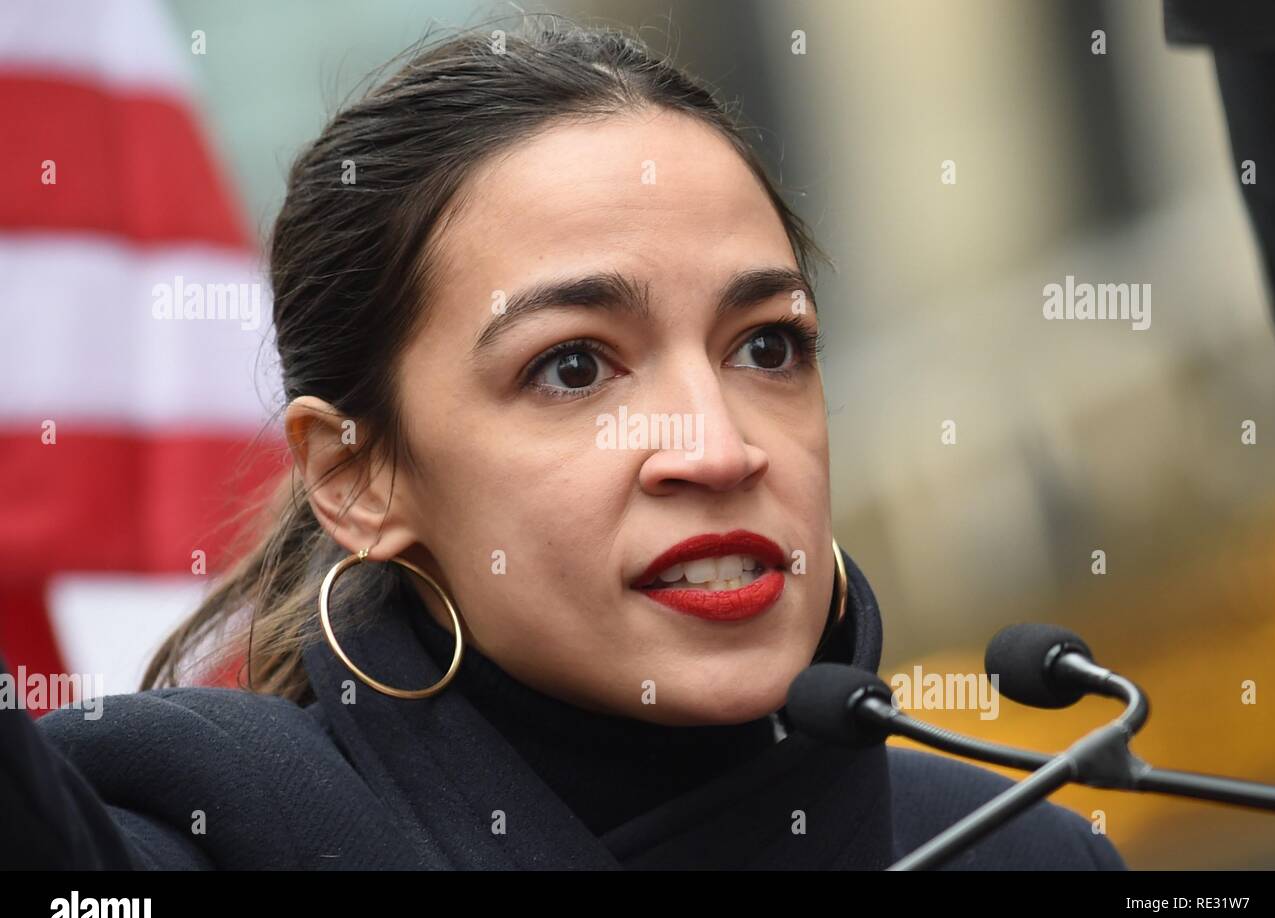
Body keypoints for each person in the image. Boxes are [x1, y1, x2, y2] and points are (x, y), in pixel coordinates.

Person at [1, 16, 1124, 871]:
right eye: (573, 365)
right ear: (355, 476)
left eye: (768, 347)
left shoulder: (1022, 849)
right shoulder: (155, 852)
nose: (719, 448)